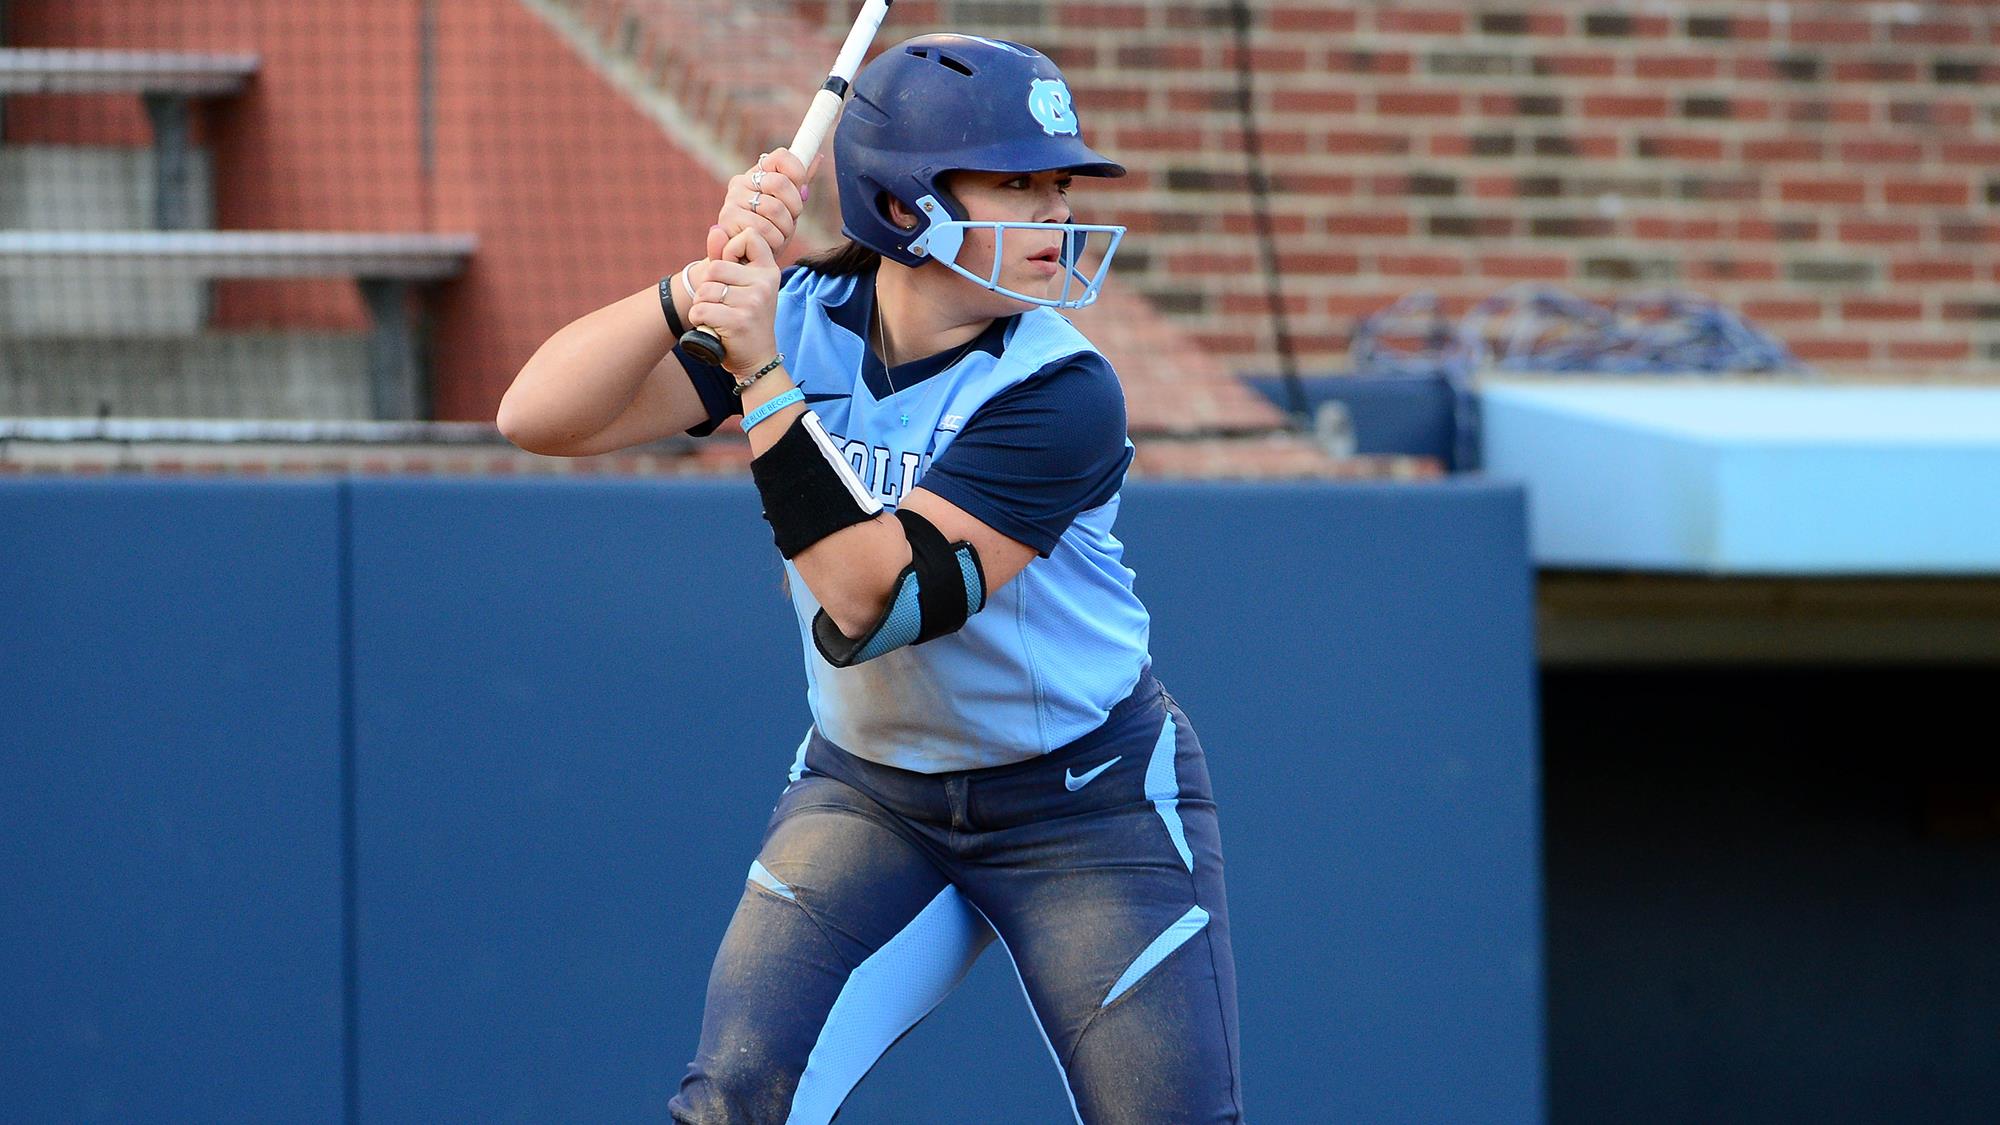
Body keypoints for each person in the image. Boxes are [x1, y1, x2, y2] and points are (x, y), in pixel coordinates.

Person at [498, 33, 1241, 1124]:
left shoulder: (1062, 389)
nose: (1053, 216)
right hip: (873, 791)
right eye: (1016, 185)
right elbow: (536, 417)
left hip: (1081, 805)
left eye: (1057, 186)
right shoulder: (798, 319)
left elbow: (877, 603)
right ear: (903, 206)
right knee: (732, 1104)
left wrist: (756, 372)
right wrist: (693, 288)